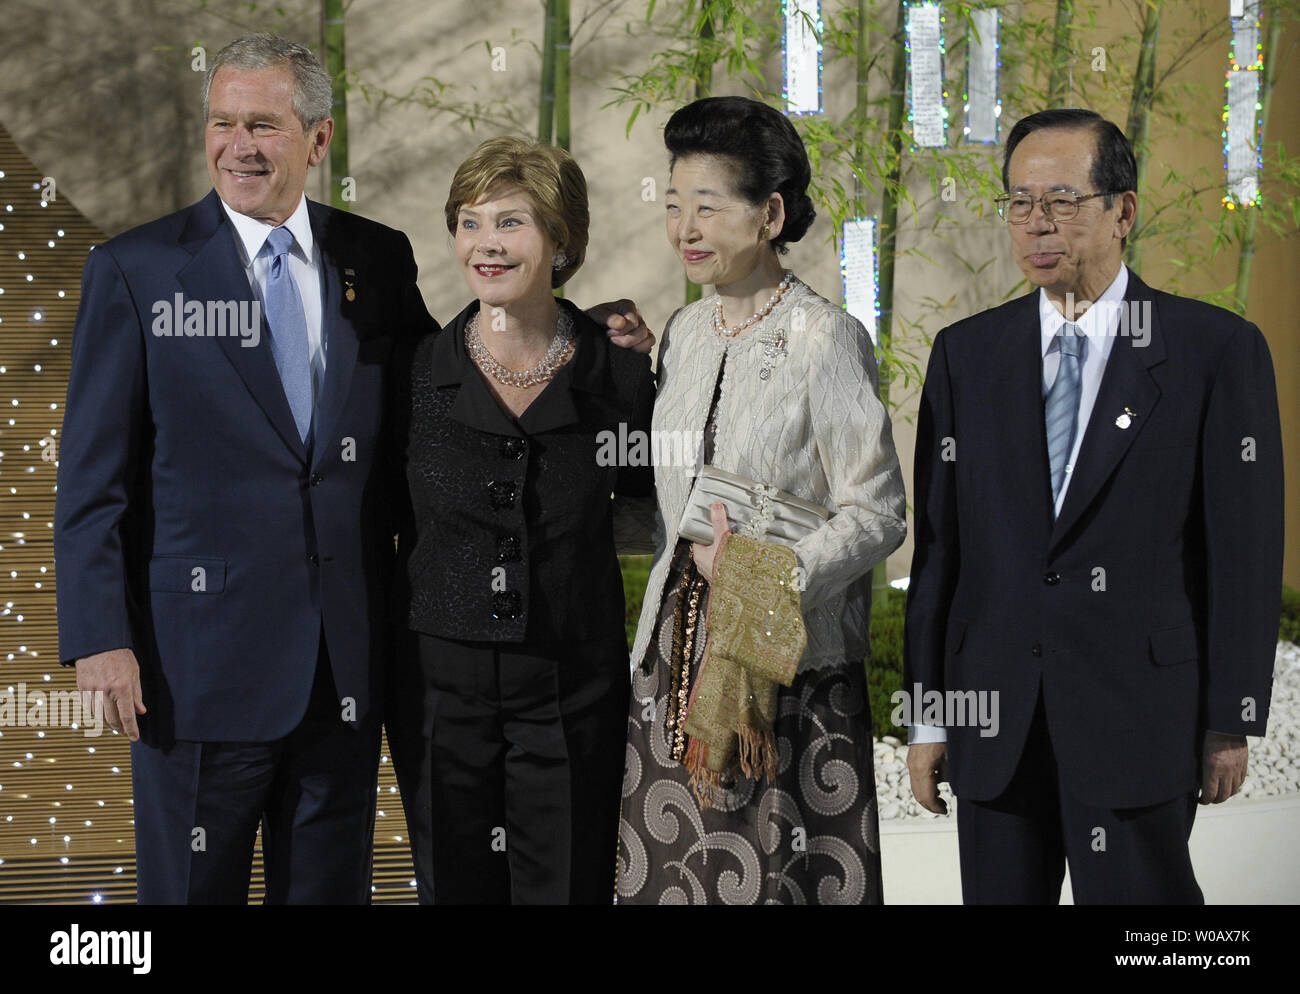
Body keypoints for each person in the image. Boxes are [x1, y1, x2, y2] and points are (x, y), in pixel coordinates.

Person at [53, 34, 652, 905]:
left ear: (318, 139)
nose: (239, 145)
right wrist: (101, 638)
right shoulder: (136, 271)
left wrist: (575, 333)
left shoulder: (373, 257)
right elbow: (91, 480)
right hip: (196, 673)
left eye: (264, 123)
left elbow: (453, 383)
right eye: (222, 123)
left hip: (345, 671)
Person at [903, 108, 1284, 904]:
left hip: (1138, 719)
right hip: (996, 719)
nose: (1037, 224)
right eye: (1019, 202)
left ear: (1124, 211)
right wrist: (930, 719)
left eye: (1063, 200)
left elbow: (1242, 554)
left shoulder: (1213, 351)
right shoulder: (968, 355)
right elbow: (943, 553)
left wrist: (1230, 719)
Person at [615, 96, 907, 905]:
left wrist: (759, 576)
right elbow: (670, 496)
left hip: (784, 668)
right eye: (674, 204)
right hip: (677, 658)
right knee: (673, 872)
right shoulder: (684, 331)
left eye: (708, 205)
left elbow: (879, 510)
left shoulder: (828, 338)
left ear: (771, 212)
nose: (685, 227)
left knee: (773, 879)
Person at [387, 136, 655, 904]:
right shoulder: (412, 374)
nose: (486, 244)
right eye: (469, 223)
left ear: (562, 239)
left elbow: (649, 503)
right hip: (440, 685)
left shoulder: (621, 374)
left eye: (512, 222)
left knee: (570, 885)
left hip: (572, 681)